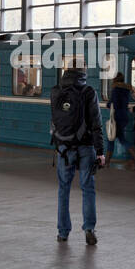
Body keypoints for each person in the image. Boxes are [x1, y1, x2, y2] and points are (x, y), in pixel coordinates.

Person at [50, 63, 105, 244]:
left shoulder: (56, 91)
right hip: (85, 146)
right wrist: (100, 151)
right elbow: (96, 123)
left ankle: (63, 232)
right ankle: (89, 229)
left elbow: (54, 119)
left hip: (64, 147)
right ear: (84, 73)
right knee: (87, 188)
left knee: (63, 189)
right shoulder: (89, 92)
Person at [105, 73, 135, 170]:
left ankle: (107, 162)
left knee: (112, 139)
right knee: (120, 138)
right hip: (124, 116)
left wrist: (108, 104)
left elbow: (113, 103)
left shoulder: (116, 89)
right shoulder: (126, 89)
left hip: (117, 117)